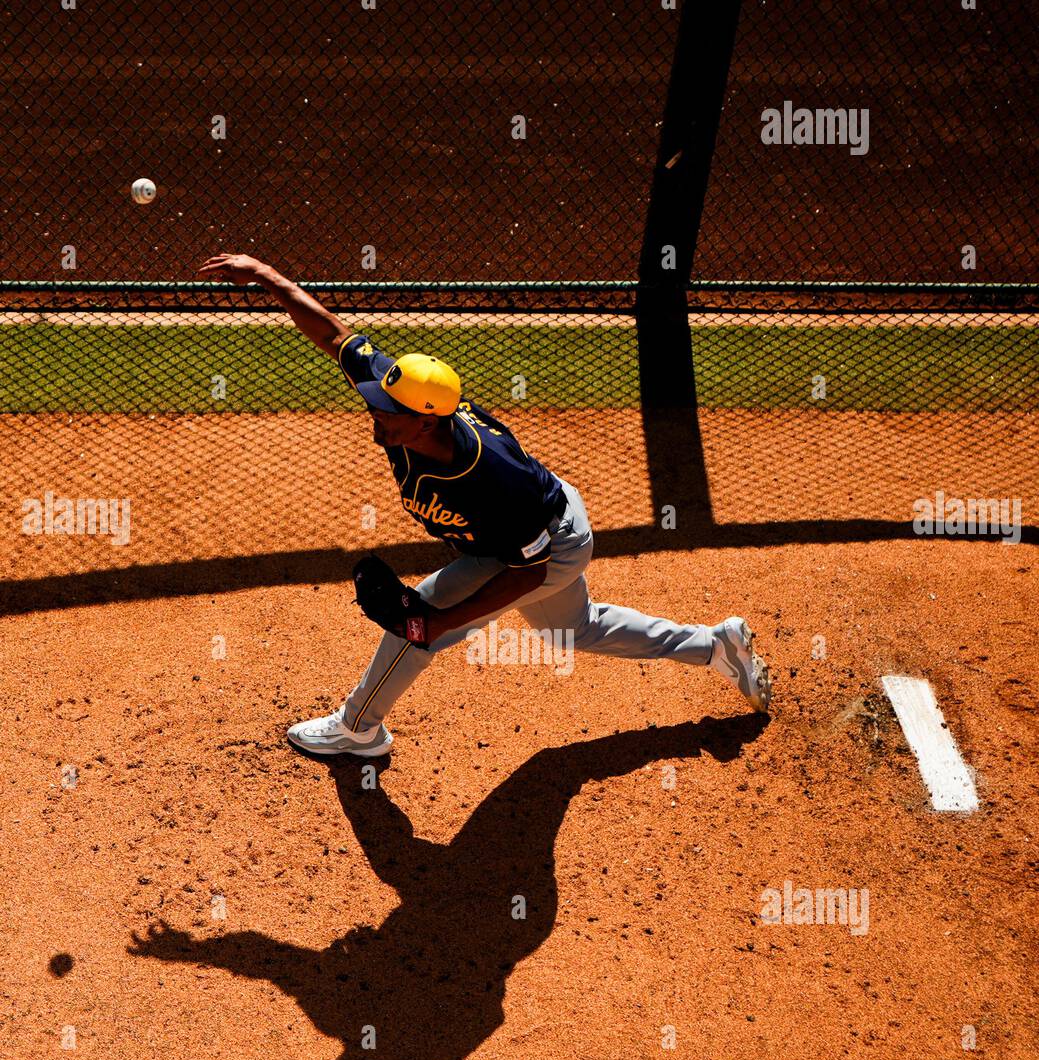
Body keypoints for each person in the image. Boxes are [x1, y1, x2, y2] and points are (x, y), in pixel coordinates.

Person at [199, 254, 773, 757]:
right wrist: (265, 275)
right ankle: (714, 645)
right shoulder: (408, 397)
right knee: (574, 630)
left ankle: (358, 729)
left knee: (419, 615)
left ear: (426, 419)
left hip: (543, 547)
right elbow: (334, 337)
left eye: (386, 410)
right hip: (536, 529)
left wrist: (441, 624)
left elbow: (531, 570)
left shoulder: (488, 476)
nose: (373, 410)